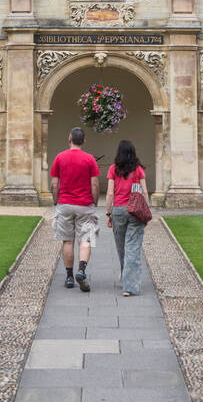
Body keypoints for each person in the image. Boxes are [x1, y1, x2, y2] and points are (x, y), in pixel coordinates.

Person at [49, 127, 101, 292]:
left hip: (65, 204)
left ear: (69, 139)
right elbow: (94, 183)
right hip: (84, 205)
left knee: (68, 241)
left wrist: (56, 200)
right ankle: (82, 270)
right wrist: (94, 201)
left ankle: (69, 277)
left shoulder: (60, 157)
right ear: (84, 141)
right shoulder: (89, 159)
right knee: (85, 240)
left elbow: (54, 183)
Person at [105, 140, 148, 296]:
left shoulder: (113, 169)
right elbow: (144, 192)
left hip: (119, 210)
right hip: (135, 211)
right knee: (133, 248)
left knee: (122, 247)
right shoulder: (138, 170)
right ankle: (129, 285)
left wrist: (108, 213)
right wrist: (146, 211)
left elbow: (110, 194)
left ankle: (126, 279)